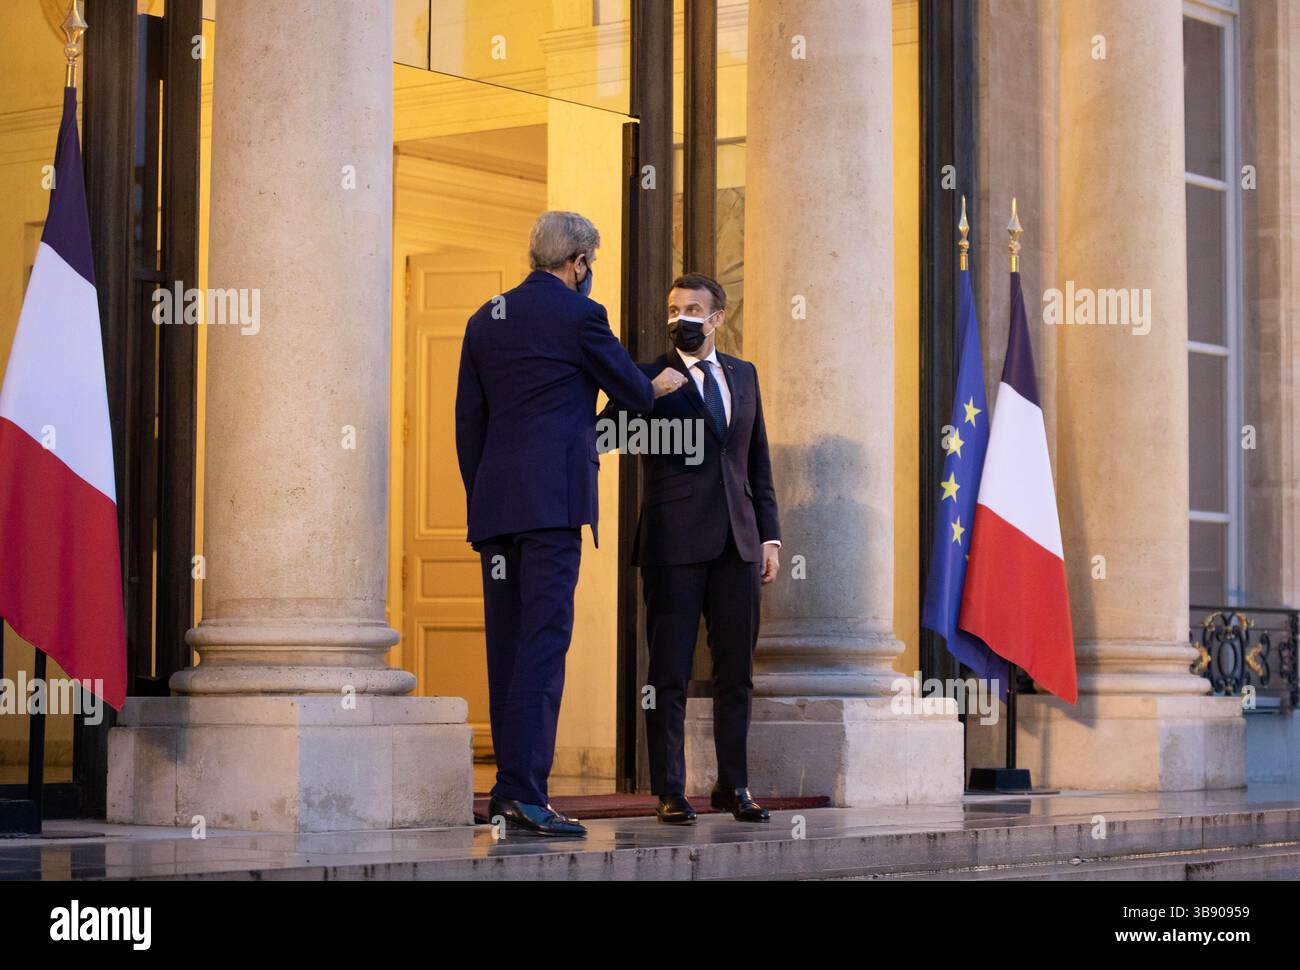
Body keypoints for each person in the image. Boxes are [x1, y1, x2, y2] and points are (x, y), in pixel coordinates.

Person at [454, 211, 686, 836]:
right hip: (553, 508)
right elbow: (634, 394)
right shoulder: (582, 316)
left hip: (497, 510)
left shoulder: (484, 319)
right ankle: (526, 794)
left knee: (506, 648)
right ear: (578, 262)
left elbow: (468, 427)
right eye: (590, 264)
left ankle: (508, 790)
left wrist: (485, 500)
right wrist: (656, 382)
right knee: (543, 643)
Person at [606, 272, 781, 824]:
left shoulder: (744, 375)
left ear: (717, 319)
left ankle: (734, 785)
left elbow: (757, 462)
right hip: (673, 544)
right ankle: (671, 789)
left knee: (736, 672)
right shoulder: (646, 374)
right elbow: (606, 436)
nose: (681, 316)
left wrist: (770, 537)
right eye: (674, 308)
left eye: (692, 309)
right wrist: (644, 394)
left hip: (739, 541)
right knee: (670, 674)